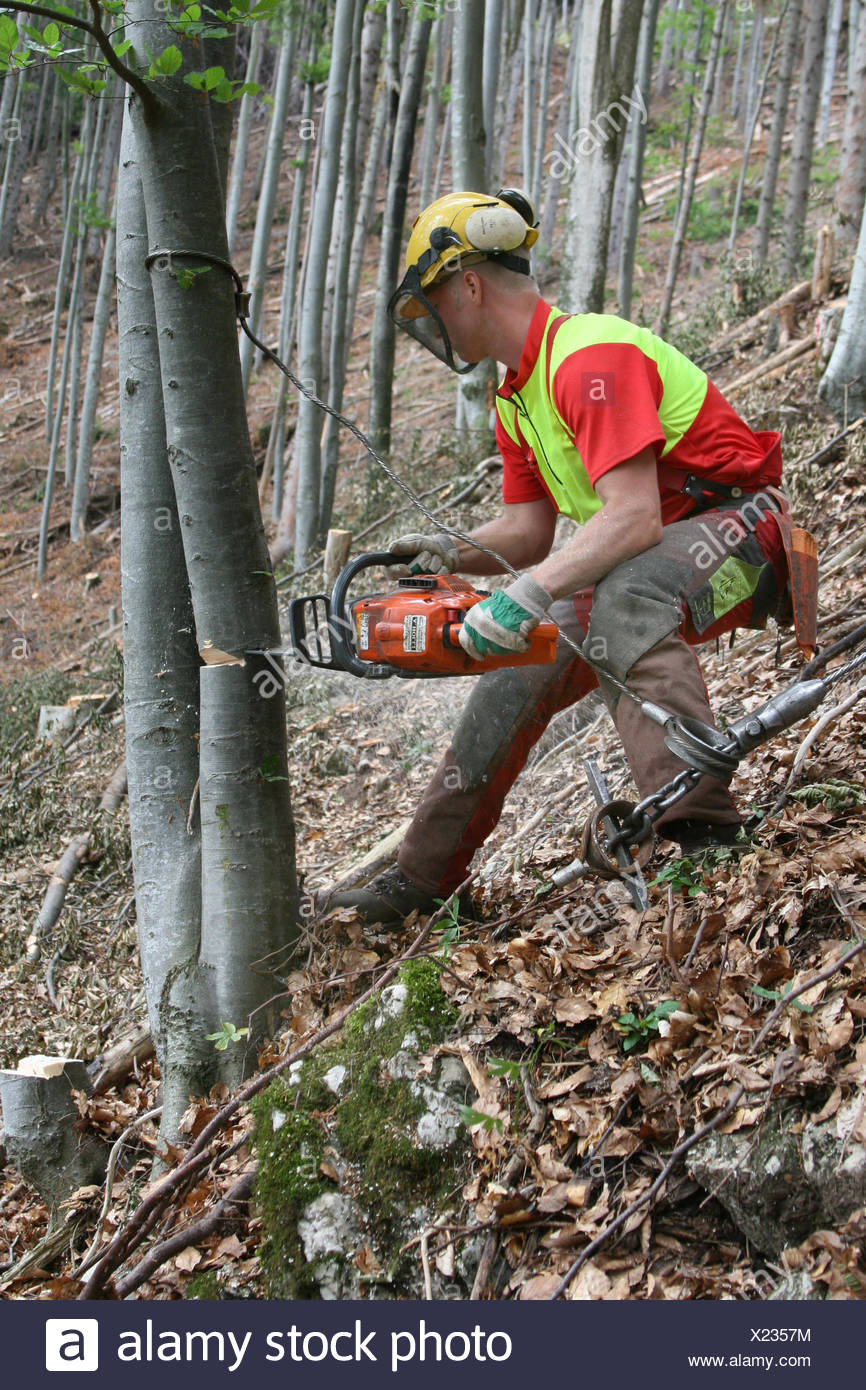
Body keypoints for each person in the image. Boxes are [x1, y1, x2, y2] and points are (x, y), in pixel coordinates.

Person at [327, 189, 798, 926]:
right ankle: (422, 881)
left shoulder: (588, 358)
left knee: (623, 603)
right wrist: (451, 550)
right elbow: (528, 532)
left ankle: (708, 835)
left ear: (470, 285)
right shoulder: (519, 397)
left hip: (744, 533)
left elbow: (635, 516)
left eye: (437, 303)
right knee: (513, 673)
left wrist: (529, 592)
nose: (438, 324)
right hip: (644, 556)